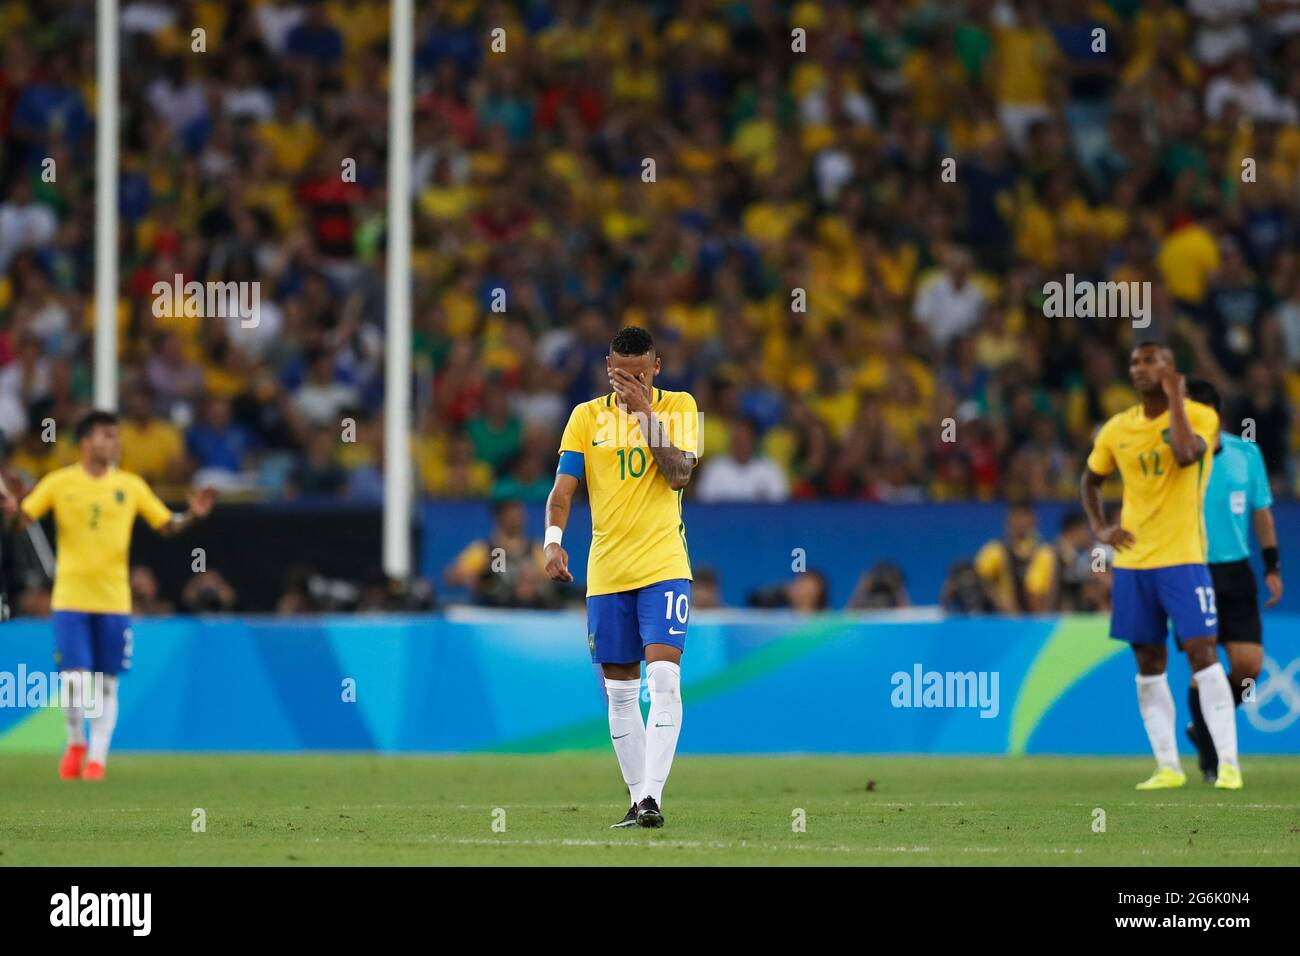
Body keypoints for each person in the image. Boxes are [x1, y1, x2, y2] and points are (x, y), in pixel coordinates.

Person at [0, 410, 215, 781]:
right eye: (106, 436)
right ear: (85, 442)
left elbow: (168, 526)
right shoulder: (59, 482)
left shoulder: (130, 486)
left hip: (115, 600)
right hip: (70, 598)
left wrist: (192, 516)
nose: (114, 442)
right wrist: (12, 509)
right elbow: (18, 526)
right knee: (73, 680)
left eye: (116, 436)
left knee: (107, 682)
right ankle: (74, 741)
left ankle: (97, 759)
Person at [543, 327, 700, 830]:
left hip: (664, 565)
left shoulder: (680, 407)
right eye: (618, 373)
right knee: (620, 693)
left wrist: (644, 415)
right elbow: (563, 492)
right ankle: (638, 800)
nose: (627, 382)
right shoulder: (585, 418)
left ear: (656, 368)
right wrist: (552, 540)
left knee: (664, 678)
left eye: (637, 374)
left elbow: (678, 473)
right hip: (607, 571)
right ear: (607, 366)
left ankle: (653, 797)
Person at [1079, 343, 1240, 791]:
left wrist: (1175, 400)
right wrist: (1099, 528)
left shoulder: (1200, 415)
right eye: (1134, 361)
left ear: (1171, 370)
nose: (1140, 367)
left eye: (1151, 360)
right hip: (1133, 563)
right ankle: (1167, 766)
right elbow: (1090, 479)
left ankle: (1228, 764)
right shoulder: (1117, 428)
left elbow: (1187, 455)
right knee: (1148, 659)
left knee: (1202, 652)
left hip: (1183, 557)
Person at [1183, 380, 1282, 782]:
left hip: (1237, 571)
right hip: (1192, 570)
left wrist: (1272, 566)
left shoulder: (1246, 453)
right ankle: (1211, 756)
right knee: (1203, 668)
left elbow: (1261, 513)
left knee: (1248, 668)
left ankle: (1202, 730)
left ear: (1216, 415)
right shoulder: (1178, 458)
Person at [973, 502, 1056, 613]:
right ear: (1008, 520)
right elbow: (979, 577)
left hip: (1038, 619)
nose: (1021, 522)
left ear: (1034, 520)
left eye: (1025, 517)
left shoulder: (1044, 551)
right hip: (1005, 620)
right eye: (1017, 517)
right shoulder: (995, 550)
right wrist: (1000, 601)